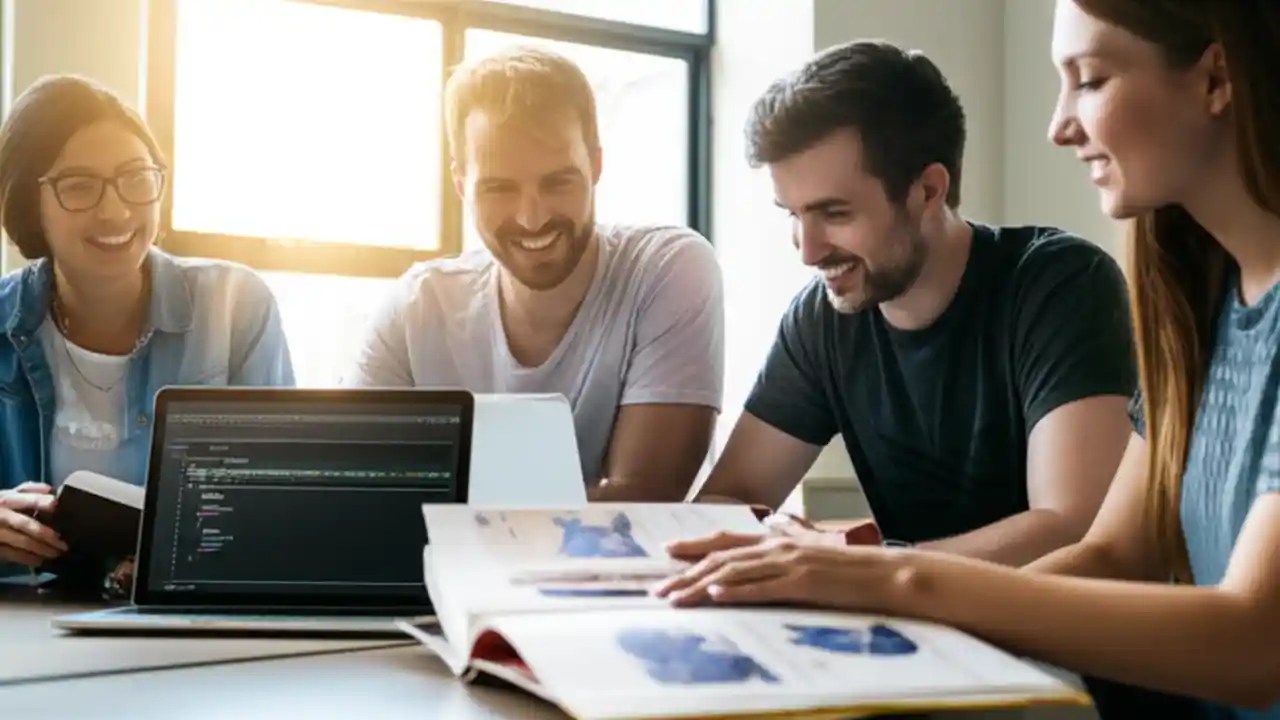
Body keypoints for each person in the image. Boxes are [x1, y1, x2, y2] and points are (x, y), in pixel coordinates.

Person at [656, 1, 1280, 717]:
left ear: (1216, 77)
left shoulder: (1060, 281)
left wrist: (886, 577)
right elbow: (1116, 554)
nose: (1058, 126)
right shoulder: (1191, 298)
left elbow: (1258, 644)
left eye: (1092, 79)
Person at [681, 40, 1136, 566]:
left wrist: (861, 567)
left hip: (1055, 636)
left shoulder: (1060, 285)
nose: (807, 250)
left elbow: (1073, 528)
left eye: (834, 213)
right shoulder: (821, 319)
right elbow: (729, 500)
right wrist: (765, 536)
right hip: (911, 627)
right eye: (792, 214)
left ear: (927, 190)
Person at [347, 47, 723, 502]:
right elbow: (362, 493)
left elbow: (644, 503)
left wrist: (450, 510)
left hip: (623, 575)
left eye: (557, 182)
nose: (531, 218)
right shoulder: (416, 307)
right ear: (461, 184)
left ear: (596, 165)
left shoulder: (666, 268)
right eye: (498, 188)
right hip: (442, 572)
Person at [0, 75, 293, 573]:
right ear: (31, 205)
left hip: (187, 615)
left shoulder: (237, 306)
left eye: (136, 177)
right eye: (79, 186)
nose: (115, 210)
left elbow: (280, 501)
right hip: (21, 623)